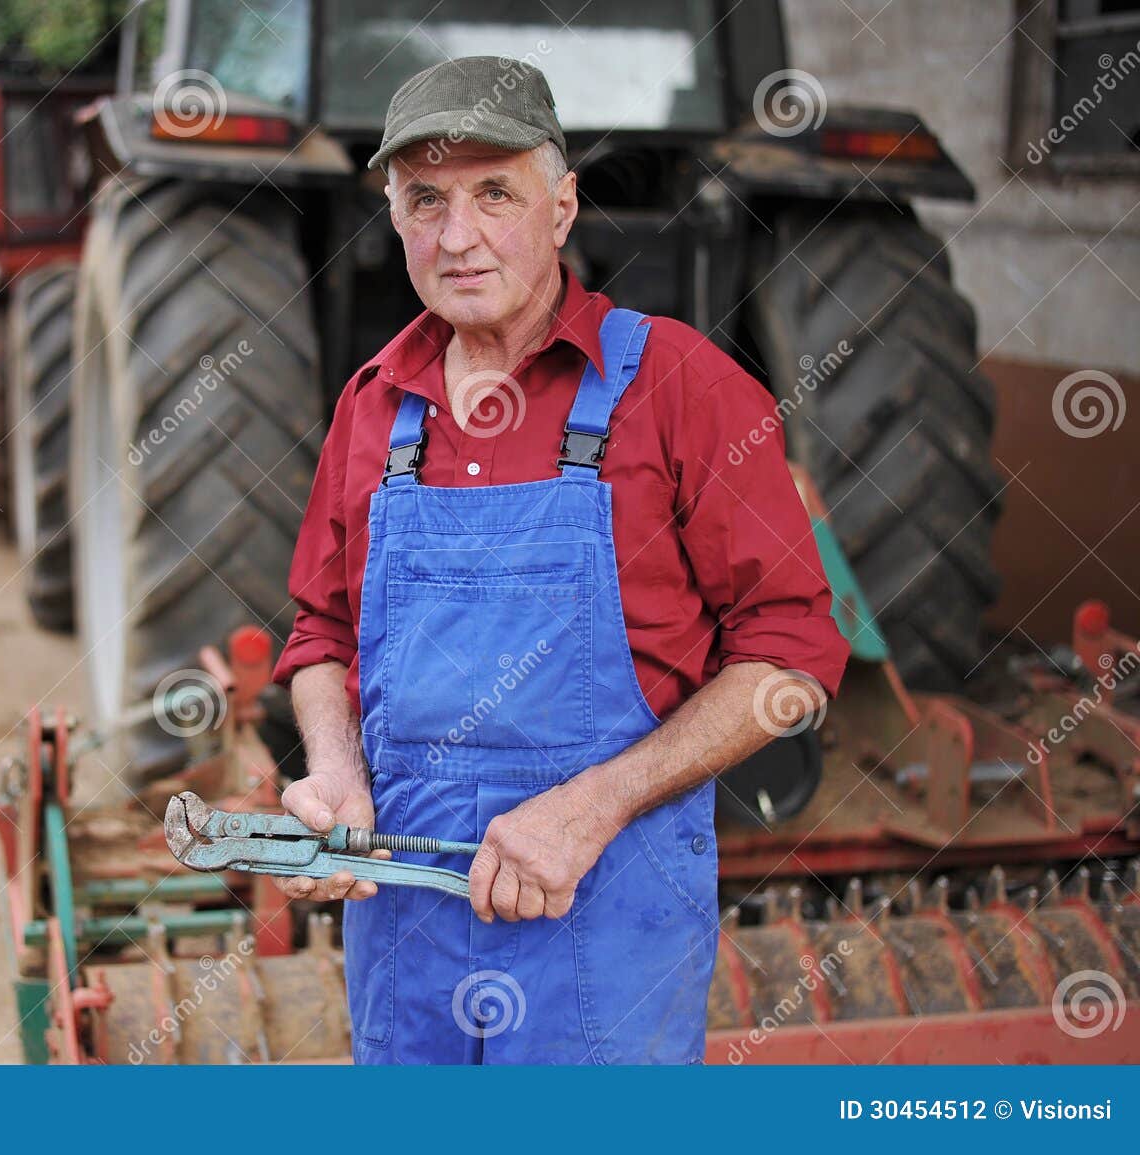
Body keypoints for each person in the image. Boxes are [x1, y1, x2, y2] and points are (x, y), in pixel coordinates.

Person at [269, 57, 850, 1064]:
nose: (457, 237)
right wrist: (334, 774)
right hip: (406, 943)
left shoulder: (682, 387)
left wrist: (596, 803)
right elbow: (321, 632)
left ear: (563, 207)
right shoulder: (373, 405)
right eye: (425, 200)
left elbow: (792, 659)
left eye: (495, 193)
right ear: (394, 217)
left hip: (606, 936)